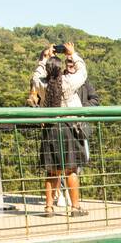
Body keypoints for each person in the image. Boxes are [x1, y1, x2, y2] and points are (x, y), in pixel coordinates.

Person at [30, 42, 89, 217]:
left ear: (47, 70)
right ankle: (75, 207)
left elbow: (36, 76)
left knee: (51, 170)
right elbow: (82, 72)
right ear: (61, 68)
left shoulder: (42, 84)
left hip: (50, 129)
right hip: (68, 128)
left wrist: (44, 58)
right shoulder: (68, 83)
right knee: (71, 169)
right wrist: (72, 54)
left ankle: (48, 207)